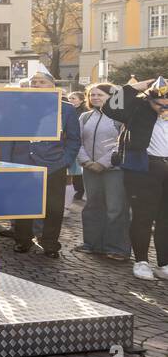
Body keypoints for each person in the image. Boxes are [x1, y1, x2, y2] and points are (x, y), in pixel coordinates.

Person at [4, 68, 80, 259]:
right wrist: (9, 162)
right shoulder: (19, 107)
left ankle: (50, 243)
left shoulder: (67, 109)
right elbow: (8, 136)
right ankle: (23, 240)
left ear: (52, 85)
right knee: (24, 204)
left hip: (54, 164)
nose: (36, 85)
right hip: (24, 162)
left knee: (53, 208)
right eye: (33, 82)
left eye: (41, 82)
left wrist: (65, 160)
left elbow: (73, 139)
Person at [99, 76, 168, 280]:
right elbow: (110, 106)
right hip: (144, 168)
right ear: (149, 100)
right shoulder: (138, 108)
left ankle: (164, 263)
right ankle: (141, 261)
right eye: (159, 104)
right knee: (142, 216)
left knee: (166, 218)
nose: (163, 108)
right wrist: (142, 84)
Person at [75, 82, 130, 262]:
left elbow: (121, 144)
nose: (95, 98)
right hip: (90, 168)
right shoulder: (84, 117)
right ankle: (91, 244)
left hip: (114, 170)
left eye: (100, 94)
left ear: (111, 97)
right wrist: (86, 162)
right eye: (92, 95)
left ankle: (117, 248)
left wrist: (102, 163)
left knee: (115, 209)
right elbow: (77, 141)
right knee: (92, 206)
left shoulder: (121, 117)